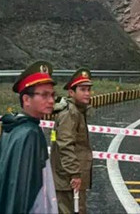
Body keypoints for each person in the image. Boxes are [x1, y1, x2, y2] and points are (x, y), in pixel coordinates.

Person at [0, 61, 59, 214]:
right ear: (26, 99)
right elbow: (25, 190)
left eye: (52, 95)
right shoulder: (30, 134)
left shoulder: (13, 126)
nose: (51, 100)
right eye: (44, 95)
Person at [51, 68, 93, 214]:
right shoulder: (70, 113)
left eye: (88, 89)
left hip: (70, 178)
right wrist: (74, 173)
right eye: (82, 89)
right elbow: (66, 145)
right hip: (68, 180)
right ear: (71, 92)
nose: (87, 93)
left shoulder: (78, 111)